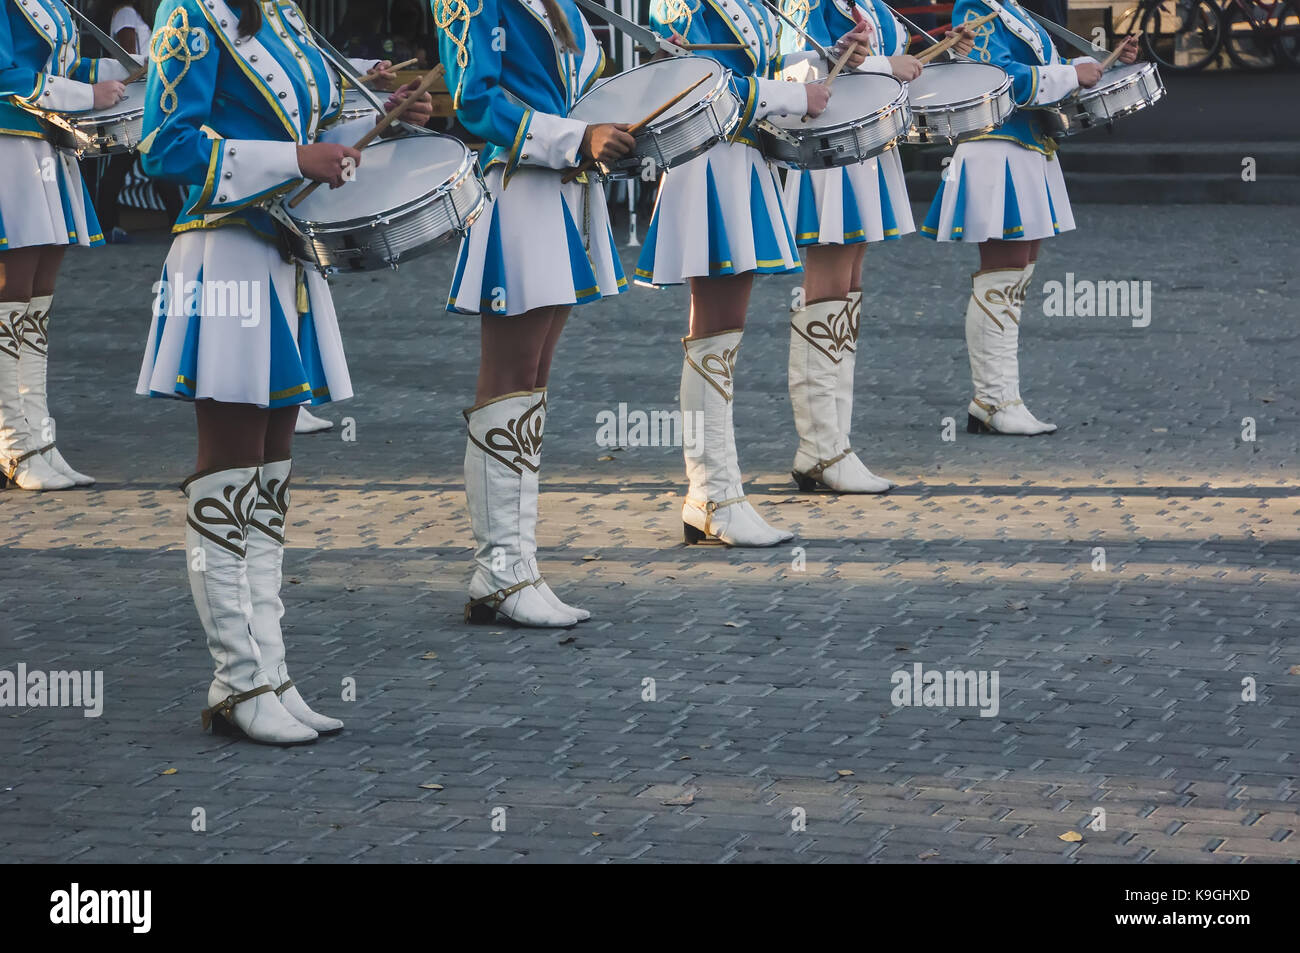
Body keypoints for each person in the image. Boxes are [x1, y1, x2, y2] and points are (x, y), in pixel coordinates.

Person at [135, 0, 432, 743]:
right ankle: (236, 680)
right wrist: (292, 160)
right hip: (224, 253)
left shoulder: (286, 16)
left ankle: (269, 671)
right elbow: (163, 146)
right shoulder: (186, 15)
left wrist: (376, 121)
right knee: (228, 472)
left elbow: (312, 135)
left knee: (270, 476)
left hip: (282, 256)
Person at [635, 0, 863, 545]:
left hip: (742, 158)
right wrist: (788, 93)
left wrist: (830, 65)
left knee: (723, 334)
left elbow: (763, 72)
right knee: (714, 332)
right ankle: (714, 495)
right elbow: (694, 84)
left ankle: (714, 496)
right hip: (709, 161)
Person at [436, 0, 632, 627]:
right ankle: (499, 570)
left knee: (533, 383)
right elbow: (476, 102)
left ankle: (517, 566)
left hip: (566, 187)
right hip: (516, 188)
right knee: (509, 381)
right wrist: (575, 137)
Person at [778, 0, 971, 493]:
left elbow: (887, 60)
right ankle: (820, 448)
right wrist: (885, 65)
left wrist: (935, 54)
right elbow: (790, 62)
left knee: (849, 291)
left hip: (866, 146)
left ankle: (833, 444)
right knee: (828, 290)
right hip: (828, 144)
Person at [920, 0, 1135, 435]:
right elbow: (995, 79)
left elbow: (1045, 70)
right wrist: (1070, 74)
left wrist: (1093, 65)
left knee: (1015, 278)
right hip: (996, 146)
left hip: (1027, 146)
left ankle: (1000, 397)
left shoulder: (1012, 10)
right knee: (1002, 276)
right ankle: (994, 400)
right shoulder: (975, 8)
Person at [0, 0, 138, 491]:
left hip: (45, 142)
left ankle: (38, 439)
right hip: (7, 143)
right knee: (9, 301)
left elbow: (60, 64)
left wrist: (135, 64)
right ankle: (13, 445)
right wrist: (85, 94)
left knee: (36, 303)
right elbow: (6, 73)